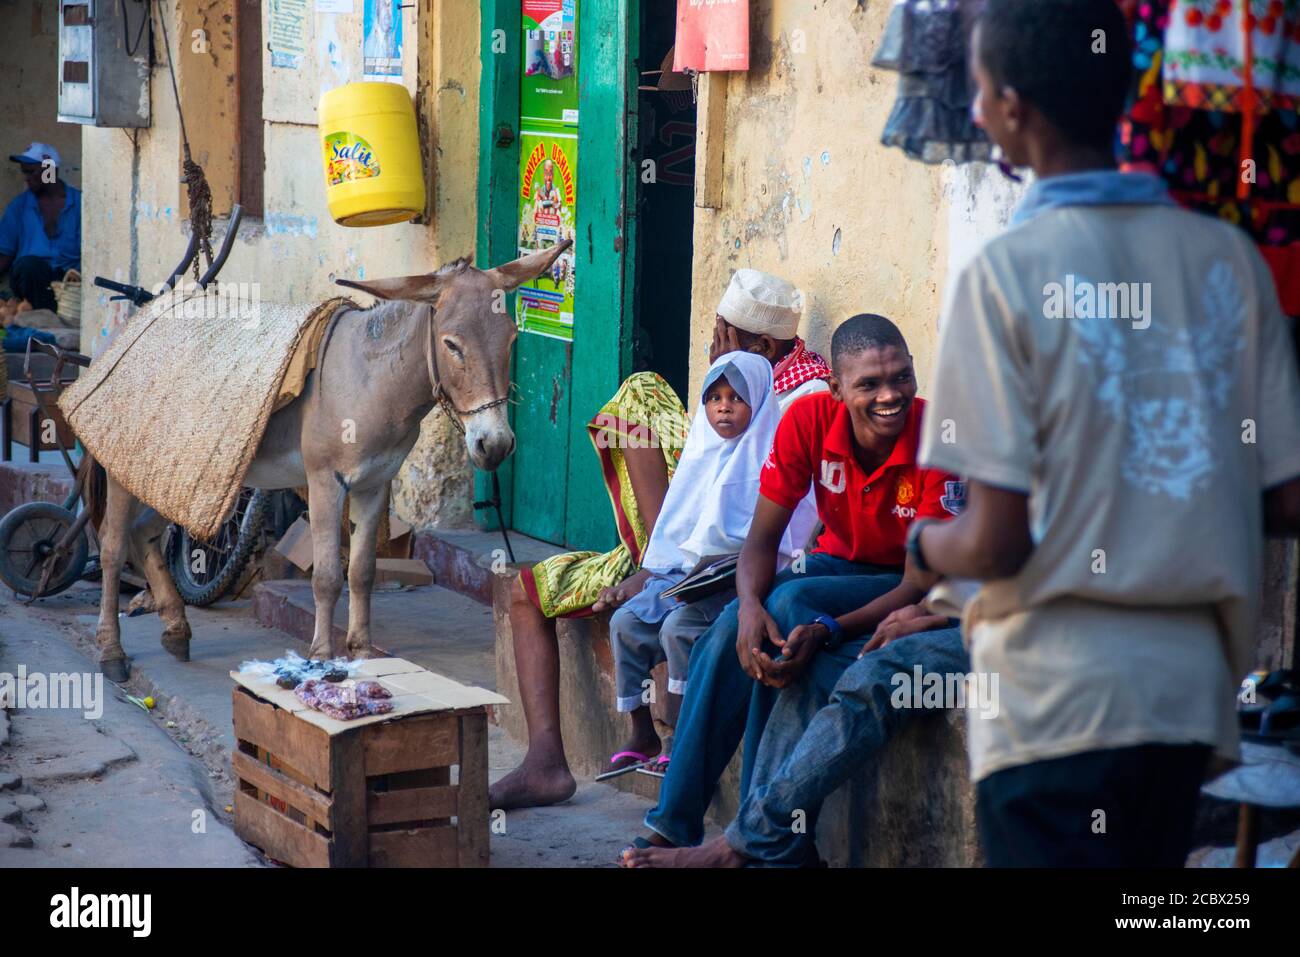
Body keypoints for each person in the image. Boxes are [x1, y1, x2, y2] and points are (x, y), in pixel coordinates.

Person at [905, 0, 1300, 866]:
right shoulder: (1228, 261)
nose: (973, 112)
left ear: (1011, 108)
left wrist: (926, 545)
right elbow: (1284, 497)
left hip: (1054, 701)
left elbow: (997, 540)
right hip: (1185, 702)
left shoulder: (1005, 274)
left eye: (976, 91)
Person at [491, 268, 832, 810]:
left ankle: (653, 573)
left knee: (641, 395)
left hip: (729, 559)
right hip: (682, 546)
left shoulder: (802, 399)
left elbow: (762, 513)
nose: (713, 344)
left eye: (724, 335)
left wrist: (670, 567)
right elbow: (703, 474)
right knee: (532, 587)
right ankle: (546, 762)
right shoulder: (752, 380)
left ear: (764, 346)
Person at [622, 314, 963, 853]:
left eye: (900, 377)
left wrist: (827, 628)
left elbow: (921, 584)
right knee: (737, 626)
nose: (889, 396)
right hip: (836, 567)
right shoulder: (807, 418)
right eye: (868, 385)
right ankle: (676, 821)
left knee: (794, 605)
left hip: (905, 582)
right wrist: (751, 603)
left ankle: (759, 845)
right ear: (836, 388)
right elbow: (761, 540)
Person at [604, 352, 819, 774]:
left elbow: (789, 540)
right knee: (626, 624)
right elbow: (676, 536)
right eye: (714, 397)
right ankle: (641, 731)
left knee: (678, 629)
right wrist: (655, 575)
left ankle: (679, 737)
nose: (723, 406)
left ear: (758, 402)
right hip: (687, 578)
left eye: (736, 397)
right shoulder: (701, 454)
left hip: (738, 583)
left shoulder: (773, 457)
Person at [0, 143, 80, 313]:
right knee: (29, 266)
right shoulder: (20, 206)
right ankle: (44, 320)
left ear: (49, 170)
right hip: (32, 279)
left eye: (31, 172)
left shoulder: (80, 203)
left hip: (70, 282)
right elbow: (5, 253)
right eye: (25, 172)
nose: (26, 178)